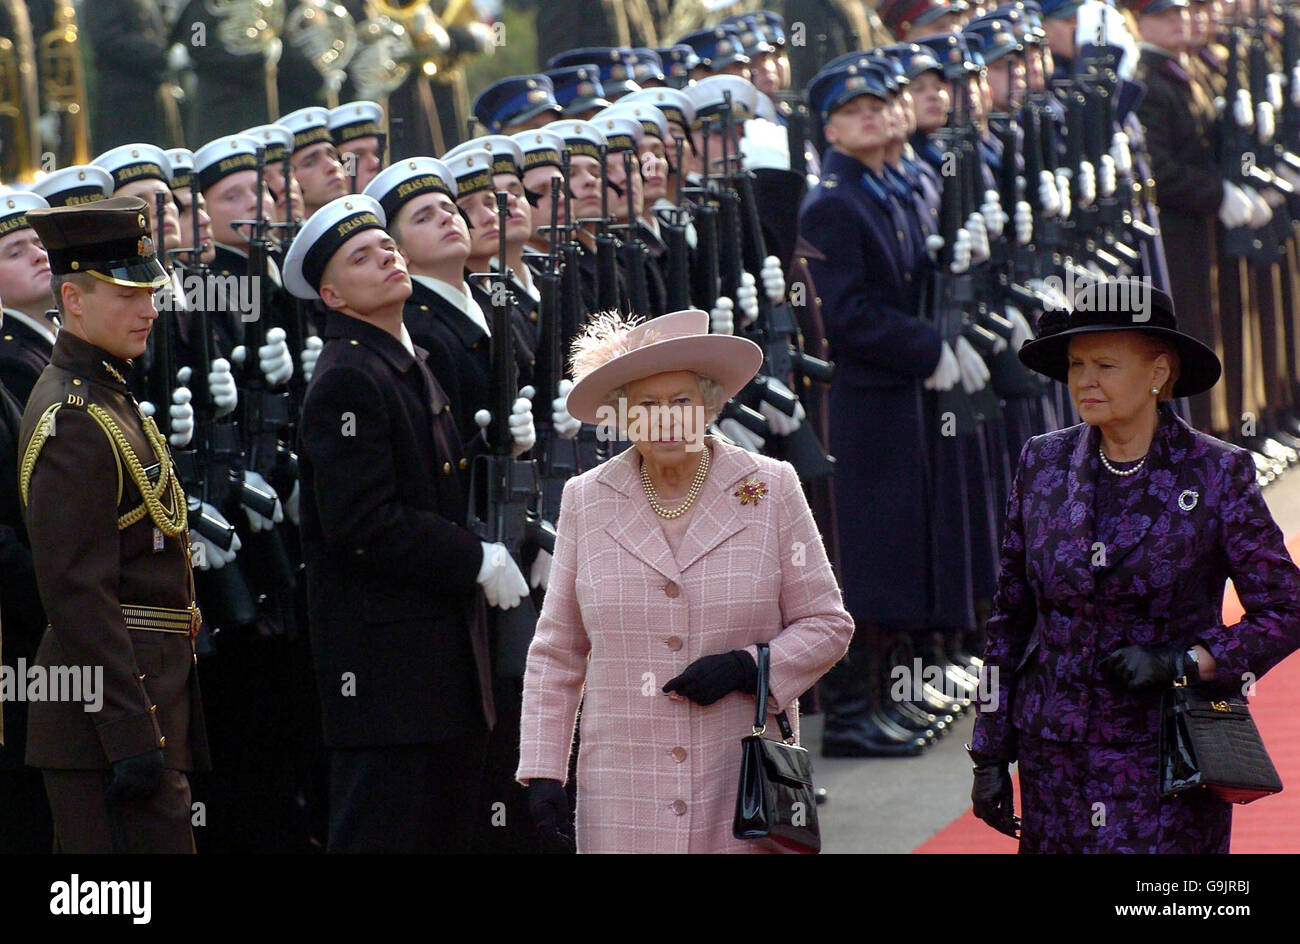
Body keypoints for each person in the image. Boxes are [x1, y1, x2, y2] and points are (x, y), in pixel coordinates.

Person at [969, 279, 1300, 852]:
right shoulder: (1041, 462)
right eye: (1075, 365)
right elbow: (1010, 616)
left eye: (1105, 364)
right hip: (1054, 762)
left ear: (1159, 373)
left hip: (1168, 758)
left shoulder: (1216, 474)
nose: (1084, 381)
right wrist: (990, 752)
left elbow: (1286, 608)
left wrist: (1188, 661)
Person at [517, 308, 853, 853]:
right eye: (647, 406)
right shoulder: (586, 499)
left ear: (709, 407)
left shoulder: (769, 488)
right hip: (624, 795)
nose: (667, 420)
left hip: (738, 786)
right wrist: (545, 768)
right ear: (623, 418)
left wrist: (749, 667)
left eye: (681, 403)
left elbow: (828, 625)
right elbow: (558, 650)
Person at [286, 194, 530, 853]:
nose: (387, 260)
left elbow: (436, 483)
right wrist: (472, 558)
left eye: (387, 248)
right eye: (362, 258)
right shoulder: (349, 377)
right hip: (387, 671)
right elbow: (363, 523)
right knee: (385, 830)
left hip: (433, 659)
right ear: (332, 295)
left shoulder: (401, 358)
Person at [19, 196, 209, 853]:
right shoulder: (75, 415)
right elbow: (77, 591)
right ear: (72, 298)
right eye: (128, 294)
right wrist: (129, 733)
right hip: (108, 724)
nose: (150, 308)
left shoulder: (106, 391)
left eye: (150, 291)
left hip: (141, 704)